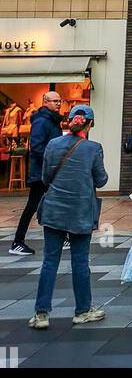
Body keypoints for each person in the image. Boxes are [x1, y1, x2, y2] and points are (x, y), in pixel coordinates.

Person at [28, 104, 107, 329]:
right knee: (80, 262)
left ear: (70, 121)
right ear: (89, 124)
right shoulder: (93, 148)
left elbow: (45, 177)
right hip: (81, 211)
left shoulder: (53, 145)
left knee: (49, 261)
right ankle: (82, 310)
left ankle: (41, 313)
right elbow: (101, 180)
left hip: (53, 209)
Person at [9, 89, 64, 256]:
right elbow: (37, 148)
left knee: (55, 203)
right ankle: (18, 242)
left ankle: (62, 236)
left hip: (48, 172)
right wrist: (53, 160)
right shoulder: (42, 122)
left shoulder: (52, 121)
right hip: (41, 173)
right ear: (45, 102)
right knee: (33, 206)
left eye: (59, 101)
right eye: (55, 101)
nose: (58, 103)